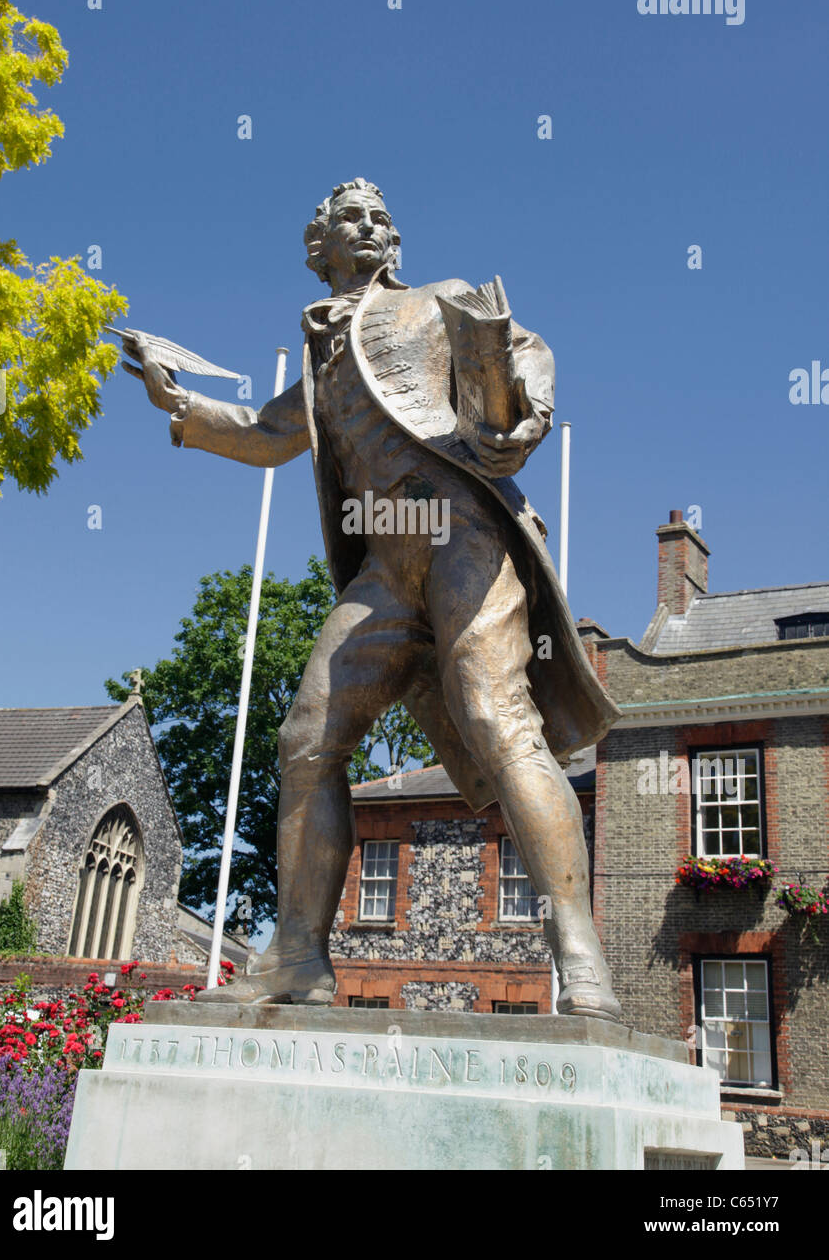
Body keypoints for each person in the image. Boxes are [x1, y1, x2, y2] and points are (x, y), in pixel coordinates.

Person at [123, 178, 622, 1020]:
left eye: (384, 216)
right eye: (354, 218)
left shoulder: (438, 300)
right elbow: (266, 432)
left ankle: (582, 963)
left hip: (463, 531)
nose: (376, 227)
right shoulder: (321, 351)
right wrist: (180, 403)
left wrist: (524, 407)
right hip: (385, 567)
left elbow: (525, 347)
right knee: (307, 738)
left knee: (499, 722)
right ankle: (299, 960)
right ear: (320, 248)